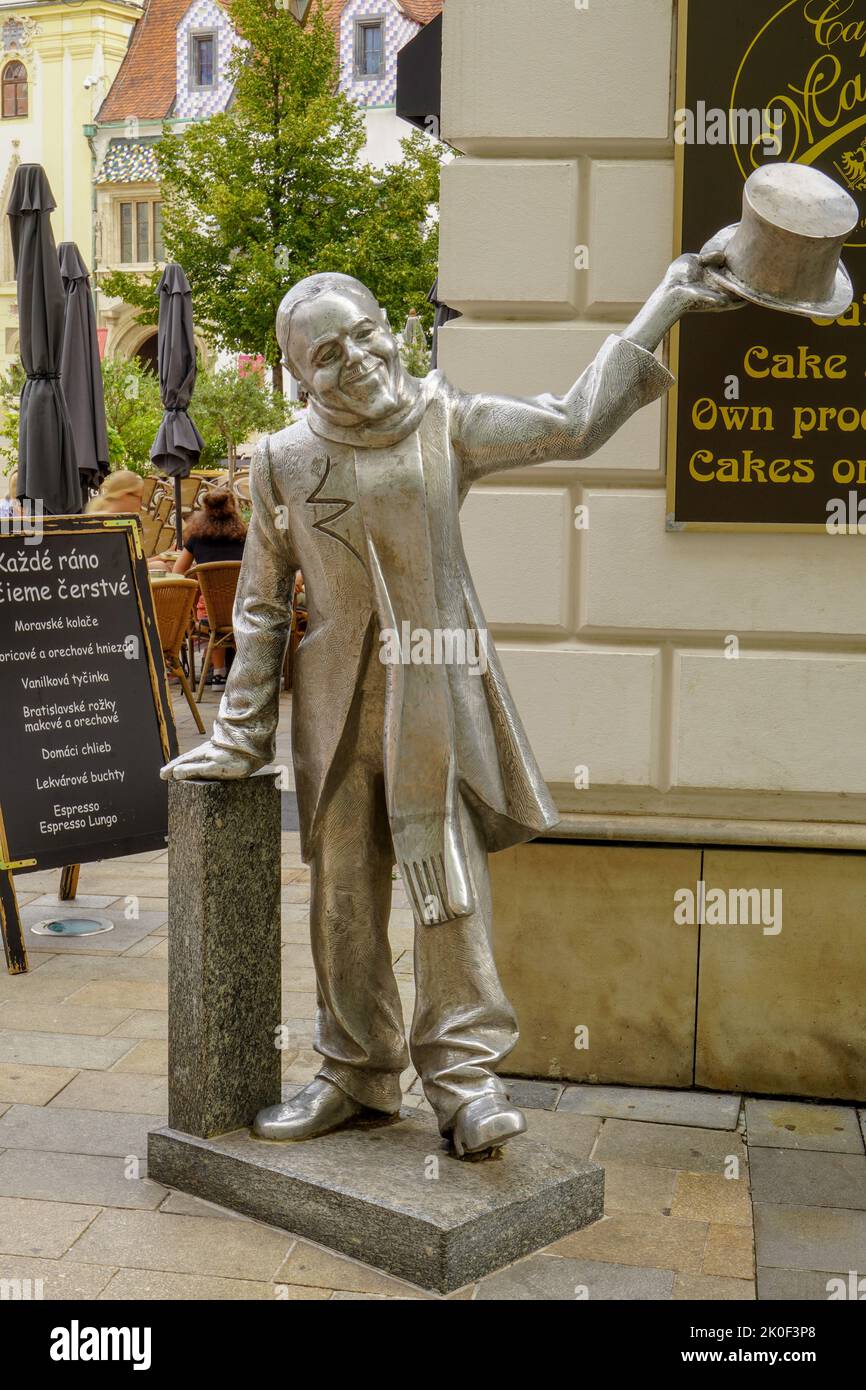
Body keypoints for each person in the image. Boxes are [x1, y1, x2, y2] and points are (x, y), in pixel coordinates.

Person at [162, 259, 742, 1157]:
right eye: (326, 354)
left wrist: (664, 301)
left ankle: (465, 1083)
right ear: (297, 373)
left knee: (448, 893)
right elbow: (262, 606)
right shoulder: (280, 460)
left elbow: (573, 423)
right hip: (335, 711)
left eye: (363, 334)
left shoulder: (446, 421)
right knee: (343, 900)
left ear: (389, 326)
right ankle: (353, 1074)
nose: (355, 360)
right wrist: (239, 737)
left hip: (436, 698)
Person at [173, 489, 247, 687]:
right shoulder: (245, 537)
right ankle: (243, 671)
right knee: (234, 606)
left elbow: (178, 571)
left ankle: (219, 673)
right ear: (234, 508)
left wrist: (198, 572)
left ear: (205, 510)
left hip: (209, 615)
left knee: (212, 607)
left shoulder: (196, 538)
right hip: (243, 610)